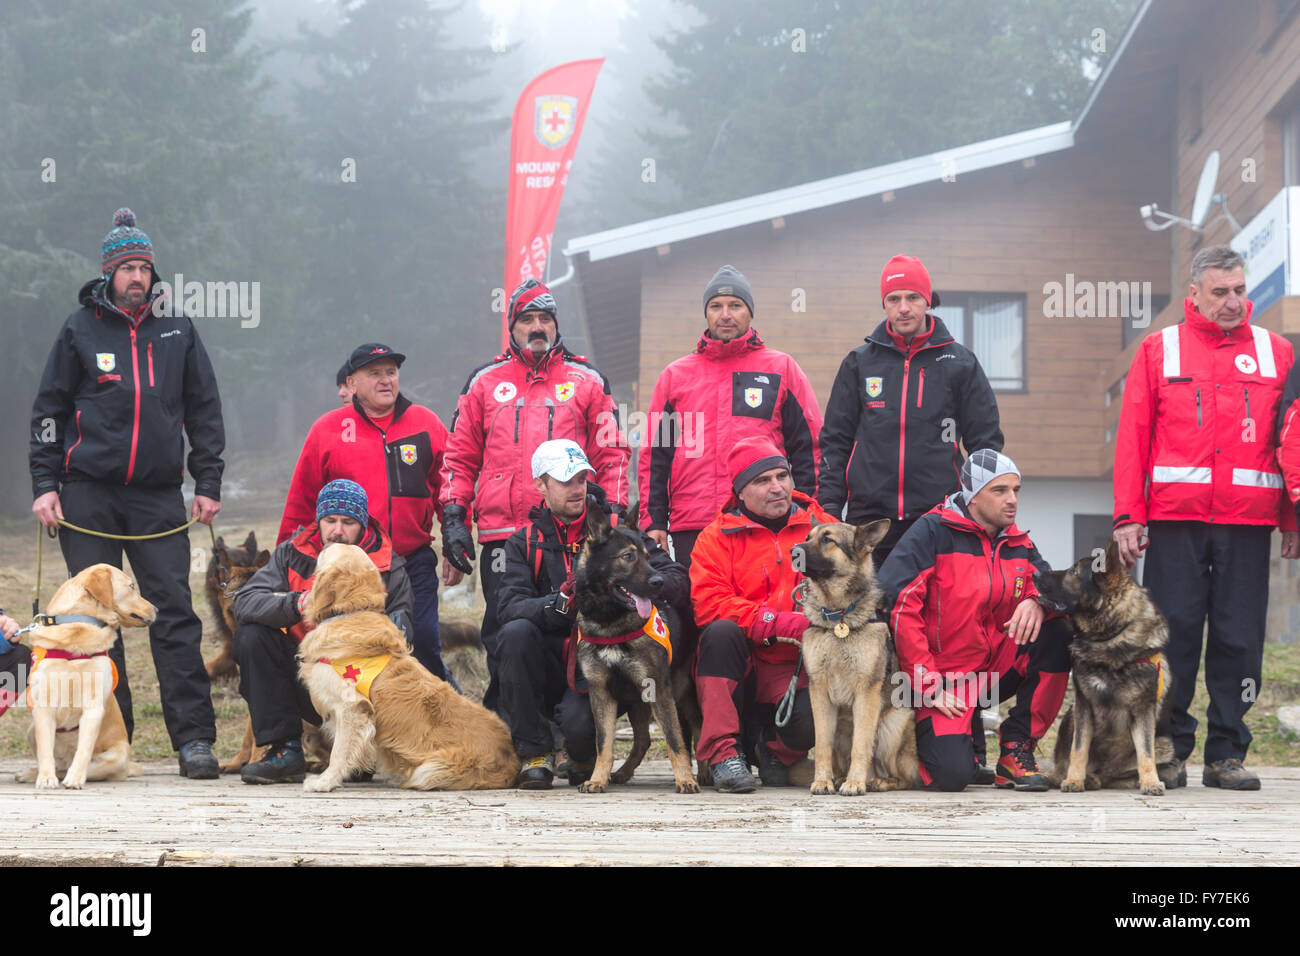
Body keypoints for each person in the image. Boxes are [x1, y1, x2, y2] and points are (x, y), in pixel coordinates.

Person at [29, 207, 225, 779]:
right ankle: (114, 740)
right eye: (127, 268)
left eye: (145, 266)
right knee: (92, 624)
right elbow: (49, 412)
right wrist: (45, 485)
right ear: (108, 273)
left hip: (158, 496)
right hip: (86, 493)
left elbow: (204, 410)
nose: (138, 276)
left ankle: (194, 740)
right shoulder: (79, 329)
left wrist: (206, 481)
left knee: (172, 615)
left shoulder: (178, 330)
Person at [1115, 244, 1297, 791]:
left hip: (1248, 523)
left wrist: (1292, 518)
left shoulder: (1278, 353)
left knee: (1240, 638)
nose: (1233, 302)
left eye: (1240, 290)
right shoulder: (1157, 350)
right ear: (1193, 293)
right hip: (1176, 523)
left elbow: (1291, 440)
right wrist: (1128, 515)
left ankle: (1227, 753)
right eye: (1220, 292)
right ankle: (1168, 750)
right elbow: (1133, 440)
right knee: (1173, 637)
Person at [439, 280, 629, 705]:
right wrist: (454, 519)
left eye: (546, 319)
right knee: (507, 632)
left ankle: (572, 729)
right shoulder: (485, 382)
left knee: (576, 627)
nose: (537, 327)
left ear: (557, 325)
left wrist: (612, 517)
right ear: (513, 326)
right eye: (528, 319)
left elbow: (613, 452)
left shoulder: (586, 379)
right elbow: (459, 457)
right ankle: (517, 733)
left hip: (572, 534)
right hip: (502, 535)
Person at [494, 440, 688, 789]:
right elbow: (507, 606)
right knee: (514, 633)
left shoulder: (618, 531)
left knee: (582, 732)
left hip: (598, 663)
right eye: (566, 481)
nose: (578, 488)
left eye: (582, 479)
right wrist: (558, 603)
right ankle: (535, 753)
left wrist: (645, 591)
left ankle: (580, 754)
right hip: (550, 656)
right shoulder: (523, 542)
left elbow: (674, 577)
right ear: (541, 484)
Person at [877, 450, 1070, 792]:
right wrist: (926, 686)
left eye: (1016, 490)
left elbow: (1058, 589)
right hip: (942, 679)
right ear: (972, 496)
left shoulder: (1018, 541)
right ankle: (941, 740)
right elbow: (900, 606)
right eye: (1000, 491)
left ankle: (1016, 749)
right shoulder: (932, 531)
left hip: (993, 672)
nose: (1012, 500)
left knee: (1058, 631)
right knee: (952, 776)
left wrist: (1038, 601)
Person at [279, 343, 454, 680]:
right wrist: (288, 557)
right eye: (374, 373)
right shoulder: (327, 429)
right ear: (352, 383)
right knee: (353, 651)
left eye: (391, 372)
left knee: (425, 642)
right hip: (348, 564)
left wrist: (455, 538)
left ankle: (435, 720)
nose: (386, 380)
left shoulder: (425, 421)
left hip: (412, 559)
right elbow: (302, 497)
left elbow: (448, 485)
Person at [818, 255, 1003, 567]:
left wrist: (979, 506)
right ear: (884, 305)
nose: (903, 307)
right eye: (894, 298)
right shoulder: (859, 362)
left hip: (940, 516)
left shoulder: (961, 362)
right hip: (868, 521)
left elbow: (986, 444)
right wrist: (830, 508)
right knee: (870, 612)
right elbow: (835, 441)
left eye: (912, 297)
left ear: (927, 301)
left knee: (936, 612)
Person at [640, 265, 823, 568]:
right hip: (692, 522)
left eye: (735, 305)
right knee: (697, 611)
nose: (725, 314)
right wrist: (654, 520)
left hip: (762, 519)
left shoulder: (781, 368)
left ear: (750, 312)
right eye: (716, 306)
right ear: (706, 314)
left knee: (762, 611)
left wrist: (806, 512)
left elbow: (808, 448)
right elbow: (656, 457)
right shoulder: (674, 376)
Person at [234, 480, 413, 783]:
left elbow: (402, 634)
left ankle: (360, 751)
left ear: (363, 524)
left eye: (348, 522)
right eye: (330, 521)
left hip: (357, 681)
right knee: (251, 636)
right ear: (319, 521)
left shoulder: (388, 564)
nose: (338, 531)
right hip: (305, 676)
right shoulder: (290, 553)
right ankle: (285, 749)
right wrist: (302, 602)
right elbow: (245, 603)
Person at [689, 437, 831, 793]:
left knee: (814, 718)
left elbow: (854, 586)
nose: (777, 487)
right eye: (762, 480)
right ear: (740, 491)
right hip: (742, 664)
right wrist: (777, 622)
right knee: (720, 633)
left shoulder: (823, 528)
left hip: (798, 668)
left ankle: (774, 752)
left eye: (782, 476)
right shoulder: (714, 538)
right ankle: (724, 754)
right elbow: (710, 604)